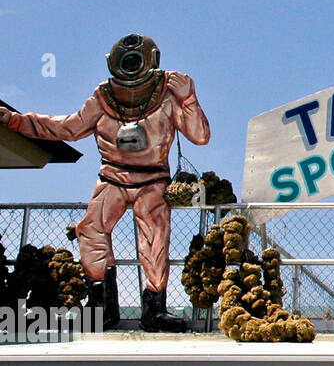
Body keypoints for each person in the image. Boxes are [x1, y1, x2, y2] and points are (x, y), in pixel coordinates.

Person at [0, 34, 210, 331]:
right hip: (112, 175)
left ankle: (154, 309)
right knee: (91, 230)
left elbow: (199, 135)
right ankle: (102, 306)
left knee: (154, 241)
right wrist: (16, 121)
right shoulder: (103, 97)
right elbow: (68, 128)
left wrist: (188, 99)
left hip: (152, 180)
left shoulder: (167, 94)